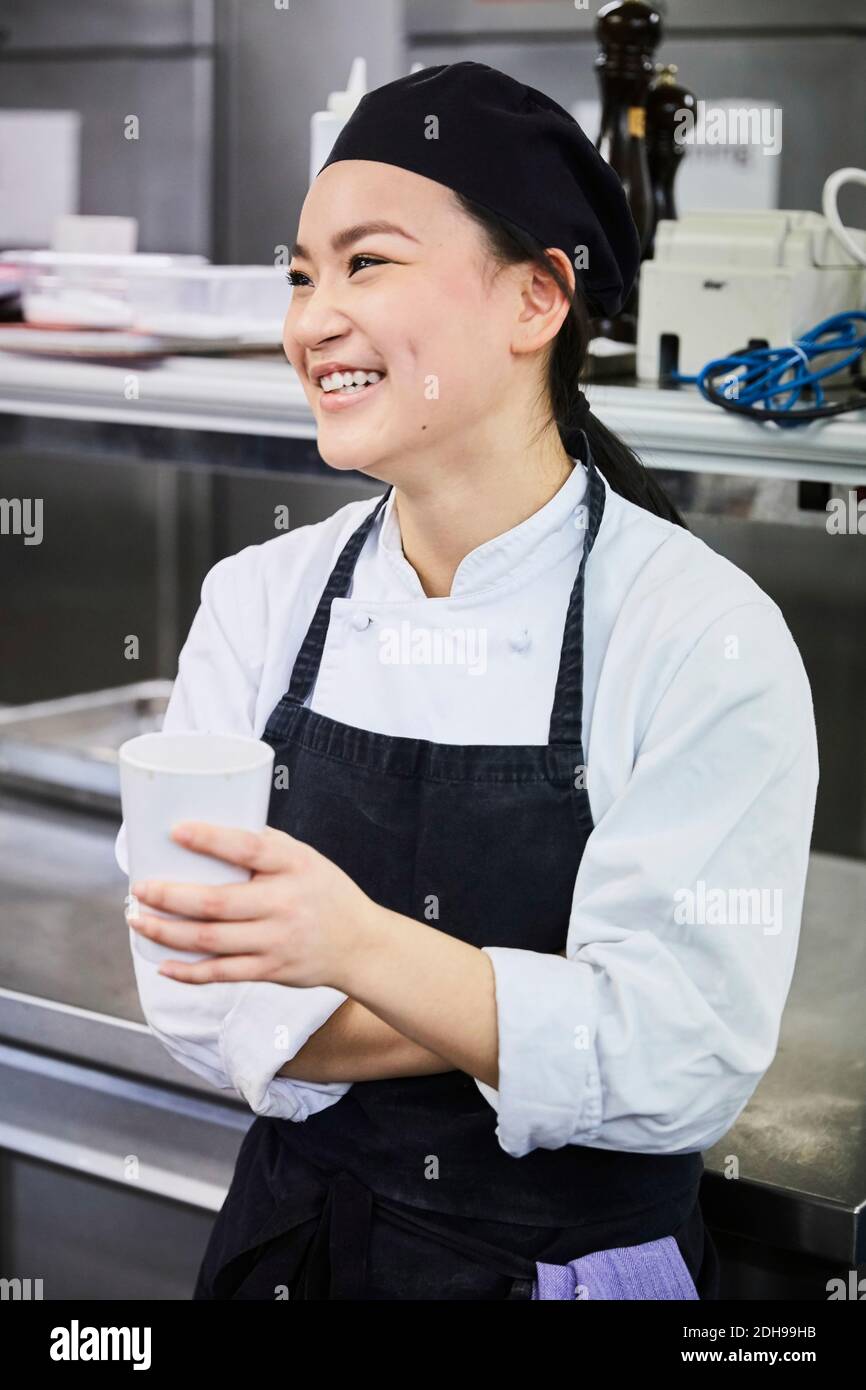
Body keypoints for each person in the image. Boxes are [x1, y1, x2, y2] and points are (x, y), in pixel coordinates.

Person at [117, 62, 819, 1300]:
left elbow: (676, 1061)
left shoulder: (697, 630)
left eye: (365, 263)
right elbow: (192, 994)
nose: (310, 319)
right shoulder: (257, 599)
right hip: (291, 1249)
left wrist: (350, 946)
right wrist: (530, 1003)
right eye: (300, 273)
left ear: (535, 297)